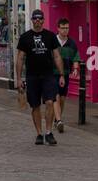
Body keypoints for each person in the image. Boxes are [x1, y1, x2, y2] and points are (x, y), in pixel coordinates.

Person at [15, 10, 64, 146]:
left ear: (43, 20)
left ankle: (48, 132)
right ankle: (39, 133)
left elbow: (56, 56)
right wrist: (18, 79)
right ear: (32, 20)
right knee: (35, 106)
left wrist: (61, 74)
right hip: (32, 76)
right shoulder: (25, 37)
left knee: (49, 102)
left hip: (48, 75)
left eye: (40, 18)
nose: (37, 21)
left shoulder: (50, 36)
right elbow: (20, 58)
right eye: (35, 19)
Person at [54, 18, 81, 133]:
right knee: (55, 96)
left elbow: (76, 57)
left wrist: (75, 68)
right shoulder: (53, 41)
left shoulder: (72, 43)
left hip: (65, 73)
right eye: (63, 28)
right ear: (58, 28)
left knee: (63, 98)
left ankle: (57, 119)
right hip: (53, 73)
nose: (65, 30)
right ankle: (59, 120)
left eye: (67, 28)